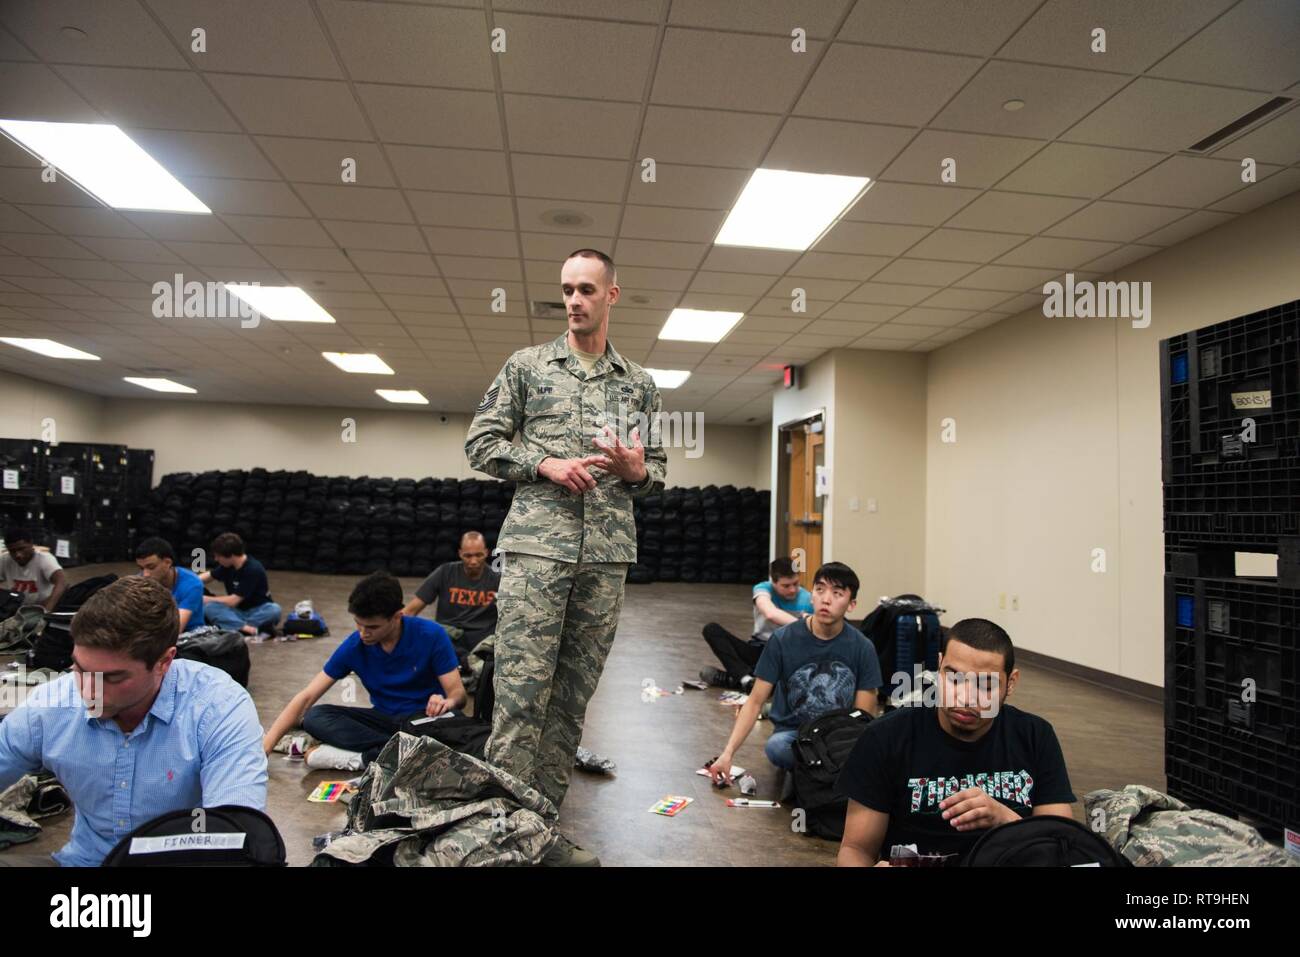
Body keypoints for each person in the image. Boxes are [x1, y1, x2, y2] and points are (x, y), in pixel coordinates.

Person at [465, 247, 667, 866]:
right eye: (566, 291)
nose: (574, 301)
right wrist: (543, 463)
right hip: (536, 553)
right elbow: (481, 441)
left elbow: (655, 470)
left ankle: (539, 829)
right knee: (521, 695)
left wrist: (637, 471)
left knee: (571, 699)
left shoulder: (638, 383)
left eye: (586, 289)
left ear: (612, 295)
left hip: (605, 558)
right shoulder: (528, 366)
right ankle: (499, 833)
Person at [0, 576, 267, 866]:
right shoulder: (52, 704)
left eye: (112, 677)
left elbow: (232, 836)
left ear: (164, 662)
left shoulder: (218, 708)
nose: (89, 692)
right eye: (79, 668)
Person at [836, 618, 1077, 866]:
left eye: (985, 685)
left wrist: (1006, 820)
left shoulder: (1035, 736)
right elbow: (856, 849)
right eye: (953, 678)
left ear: (1011, 683)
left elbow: (1064, 847)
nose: (965, 697)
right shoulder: (886, 737)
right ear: (939, 667)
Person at [262, 571, 466, 770]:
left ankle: (368, 757)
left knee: (458, 723)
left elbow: (458, 695)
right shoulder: (355, 646)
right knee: (316, 717)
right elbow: (307, 697)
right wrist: (266, 746)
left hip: (424, 720)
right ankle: (406, 752)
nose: (363, 633)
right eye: (358, 624)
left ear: (397, 617)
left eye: (372, 627)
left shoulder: (431, 635)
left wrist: (446, 701)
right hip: (382, 721)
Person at [706, 562, 880, 787]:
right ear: (812, 597)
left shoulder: (862, 648)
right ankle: (820, 771)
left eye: (837, 593)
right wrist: (727, 753)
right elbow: (755, 701)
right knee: (776, 748)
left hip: (837, 737)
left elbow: (862, 719)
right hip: (794, 735)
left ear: (851, 605)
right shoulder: (783, 639)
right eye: (820, 590)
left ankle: (810, 772)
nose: (826, 599)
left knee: (864, 751)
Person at [701, 557, 813, 690]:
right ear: (773, 582)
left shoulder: (808, 598)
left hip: (784, 654)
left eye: (796, 583)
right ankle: (746, 679)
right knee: (711, 629)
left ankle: (737, 680)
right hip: (758, 650)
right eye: (786, 586)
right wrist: (802, 623)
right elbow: (770, 613)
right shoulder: (763, 589)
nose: (793, 590)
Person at [403, 530, 500, 660]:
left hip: (482, 642)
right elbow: (410, 611)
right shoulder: (445, 572)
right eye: (468, 556)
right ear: (460, 554)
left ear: (487, 553)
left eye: (479, 555)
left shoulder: (497, 579)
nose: (473, 561)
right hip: (449, 639)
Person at [199, 532, 281, 637]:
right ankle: (247, 629)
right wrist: (186, 582)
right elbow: (207, 576)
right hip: (237, 612)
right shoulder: (227, 566)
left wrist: (204, 598)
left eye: (218, 556)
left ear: (231, 556)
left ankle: (233, 626)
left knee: (274, 610)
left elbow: (233, 601)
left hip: (257, 611)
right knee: (210, 608)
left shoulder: (253, 569)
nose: (216, 559)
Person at [134, 536, 205, 633]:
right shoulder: (139, 582)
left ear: (168, 562)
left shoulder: (192, 584)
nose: (145, 574)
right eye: (141, 568)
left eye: (151, 567)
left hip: (190, 634)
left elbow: (175, 630)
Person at [0, 525, 68, 612]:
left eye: (21, 549)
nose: (18, 555)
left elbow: (62, 582)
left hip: (41, 607)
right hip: (16, 609)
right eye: (12, 551)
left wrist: (46, 610)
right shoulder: (5, 559)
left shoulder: (44, 558)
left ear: (31, 544)